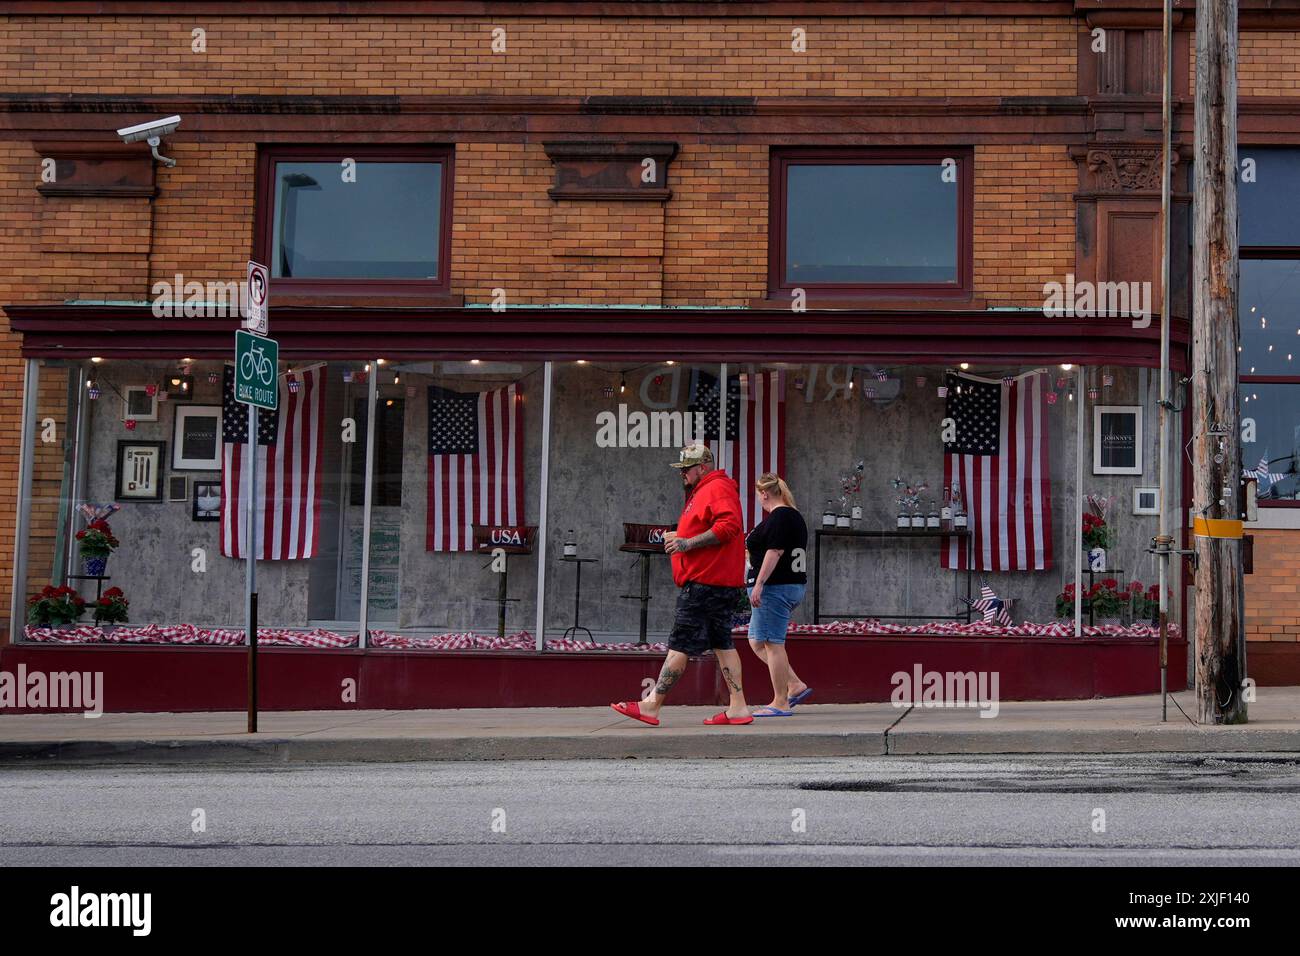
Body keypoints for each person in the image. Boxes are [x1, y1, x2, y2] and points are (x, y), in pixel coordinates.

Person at [611, 442, 753, 726]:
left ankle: (651, 704)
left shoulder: (716, 488)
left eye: (686, 469)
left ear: (703, 467)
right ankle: (738, 708)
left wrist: (687, 542)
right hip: (715, 583)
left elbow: (729, 526)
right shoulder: (706, 490)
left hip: (705, 584)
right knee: (723, 644)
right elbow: (717, 526)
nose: (682, 474)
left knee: (680, 644)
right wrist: (685, 534)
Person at [745, 473, 812, 716]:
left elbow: (775, 551)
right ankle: (794, 684)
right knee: (756, 640)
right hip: (786, 586)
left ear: (765, 493)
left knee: (773, 643)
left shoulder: (781, 516)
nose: (759, 500)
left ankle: (780, 701)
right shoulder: (791, 516)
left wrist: (760, 583)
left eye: (758, 495)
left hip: (776, 587)